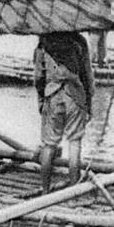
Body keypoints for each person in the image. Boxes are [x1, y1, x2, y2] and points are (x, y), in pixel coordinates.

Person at [34, 31, 94, 193]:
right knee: (74, 143)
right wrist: (89, 104)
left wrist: (41, 100)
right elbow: (87, 75)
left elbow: (39, 77)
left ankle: (45, 190)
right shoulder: (79, 41)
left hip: (52, 96)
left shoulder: (43, 42)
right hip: (74, 96)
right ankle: (73, 191)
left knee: (49, 145)